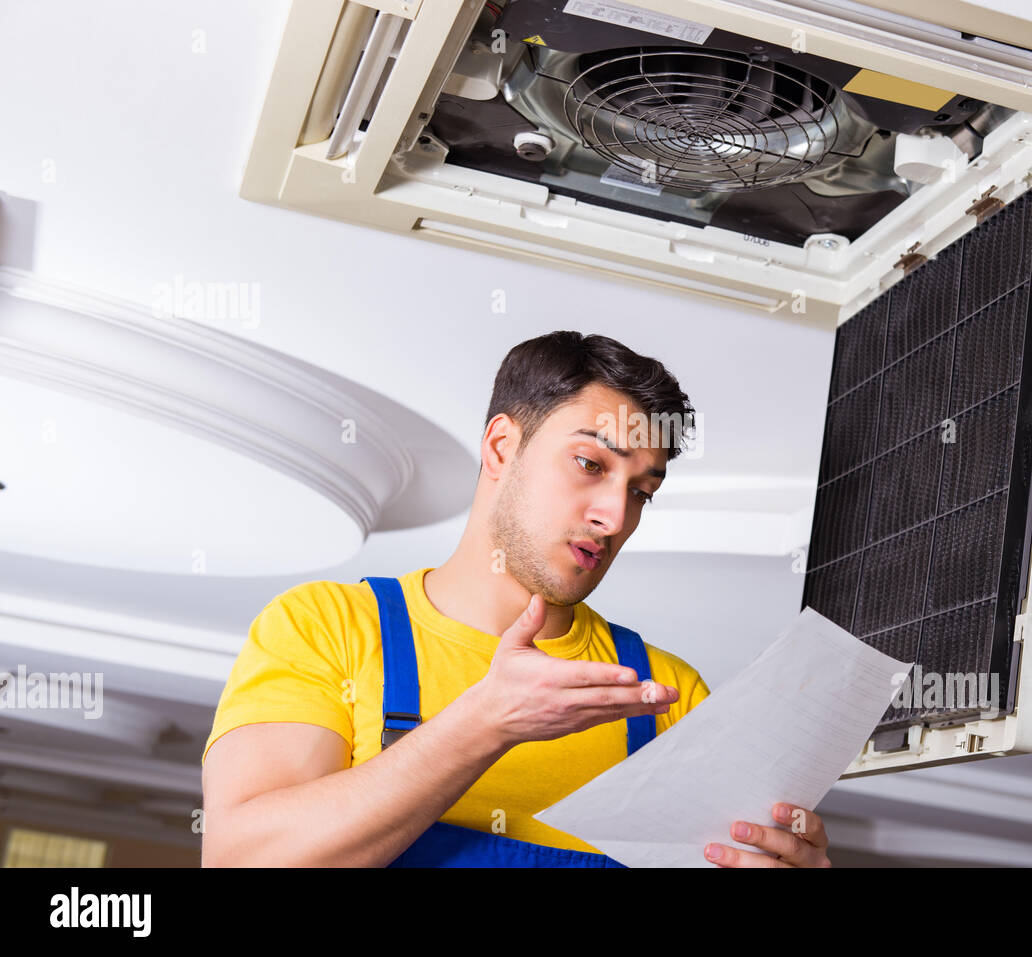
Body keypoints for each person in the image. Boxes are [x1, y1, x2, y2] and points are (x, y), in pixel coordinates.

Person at [200, 331, 832, 868]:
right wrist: (485, 722)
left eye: (641, 491)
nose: (615, 514)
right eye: (590, 464)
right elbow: (239, 858)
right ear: (502, 447)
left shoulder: (667, 696)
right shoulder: (328, 627)